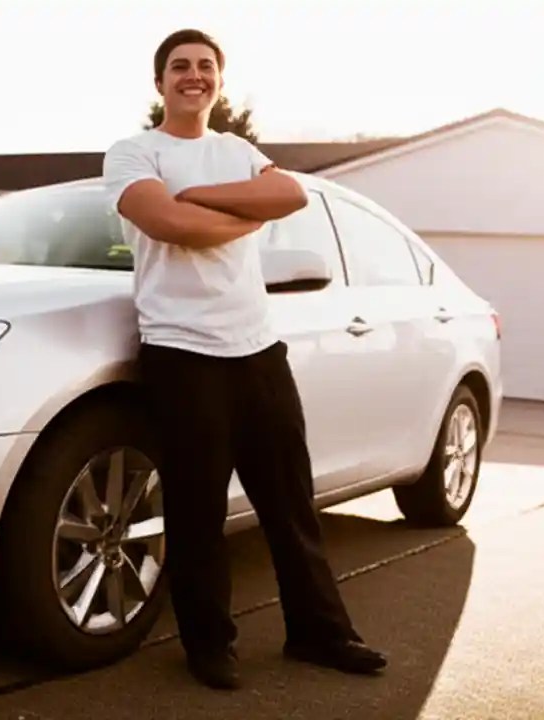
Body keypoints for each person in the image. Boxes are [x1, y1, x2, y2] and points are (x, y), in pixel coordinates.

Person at [101, 28, 388, 690]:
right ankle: (209, 645)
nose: (193, 75)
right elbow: (168, 225)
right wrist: (235, 211)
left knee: (290, 502)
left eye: (205, 66)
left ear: (218, 82)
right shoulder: (133, 152)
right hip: (181, 351)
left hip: (258, 348)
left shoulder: (235, 149)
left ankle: (320, 632)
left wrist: (198, 197)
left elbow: (289, 196)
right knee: (199, 510)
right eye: (180, 66)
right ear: (160, 83)